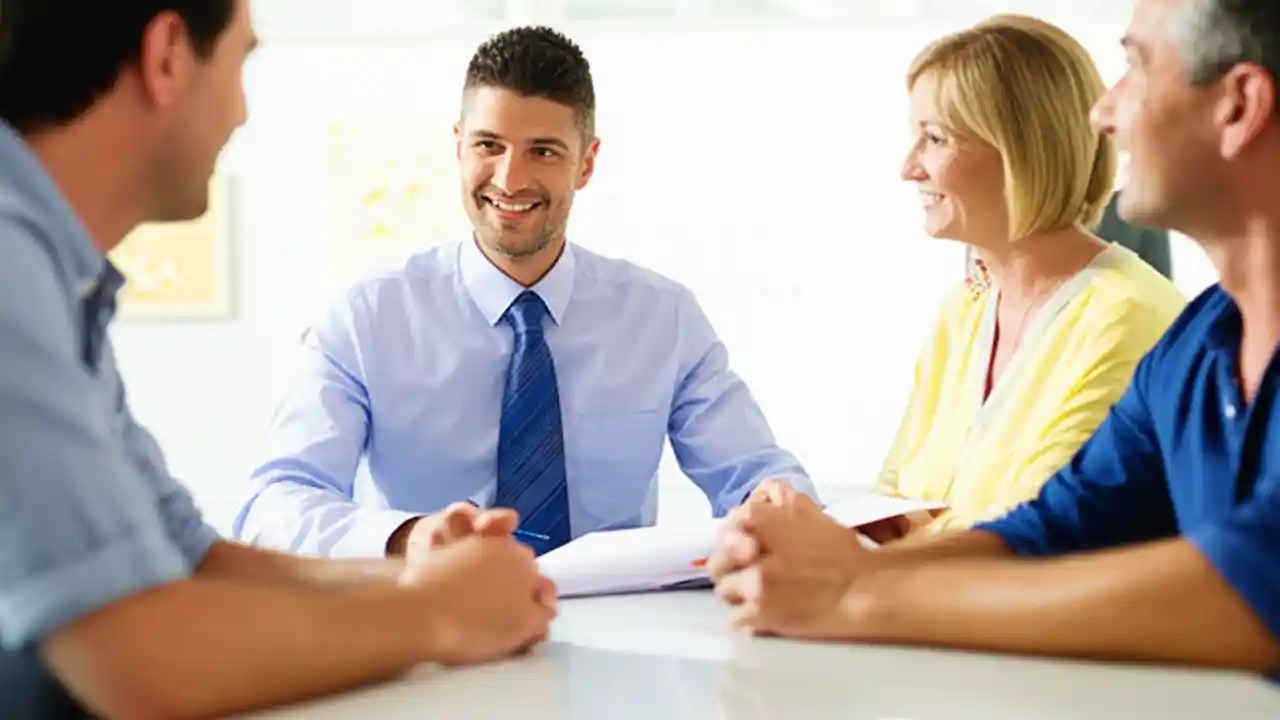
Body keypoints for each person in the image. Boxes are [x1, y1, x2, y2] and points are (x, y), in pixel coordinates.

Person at [0, 2, 555, 717]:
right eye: (242, 61)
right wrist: (439, 613)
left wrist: (429, 575)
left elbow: (193, 556)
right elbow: (139, 661)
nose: (242, 113)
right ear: (168, 54)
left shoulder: (53, 276)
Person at [709, 0, 1280, 673]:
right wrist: (821, 562)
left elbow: (1256, 582)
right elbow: (1055, 530)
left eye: (1135, 66)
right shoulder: (1194, 347)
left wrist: (857, 590)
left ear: (1239, 104)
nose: (1103, 114)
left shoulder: (1134, 316)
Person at [232, 25, 815, 559]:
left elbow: (756, 473)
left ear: (586, 163)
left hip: (620, 631)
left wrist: (780, 507)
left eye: (544, 151)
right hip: (428, 625)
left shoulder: (664, 319)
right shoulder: (367, 317)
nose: (510, 179)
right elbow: (275, 505)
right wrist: (409, 535)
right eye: (489, 145)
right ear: (459, 145)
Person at [863, 14, 1185, 542]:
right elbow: (893, 501)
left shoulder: (1126, 317)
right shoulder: (961, 312)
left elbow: (1040, 536)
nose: (909, 168)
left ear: (1021, 153)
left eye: (935, 139)